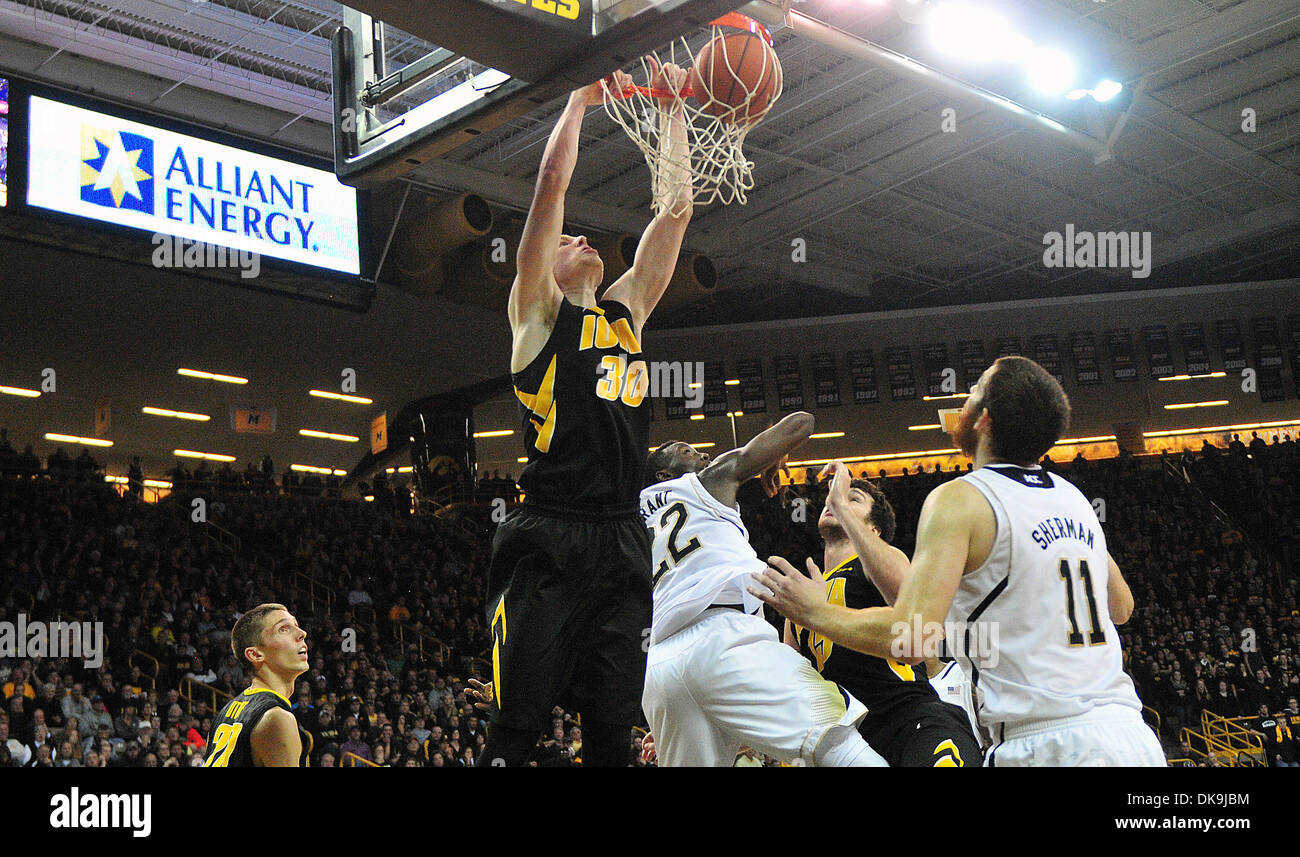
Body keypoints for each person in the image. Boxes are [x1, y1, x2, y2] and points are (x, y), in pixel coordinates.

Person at [753, 356, 1165, 766]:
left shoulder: (960, 498)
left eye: (972, 393)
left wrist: (814, 611)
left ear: (983, 420)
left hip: (1045, 744)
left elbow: (913, 639)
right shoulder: (1074, 498)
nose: (962, 402)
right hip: (1130, 733)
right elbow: (1121, 607)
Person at [481, 60, 693, 768]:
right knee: (517, 727)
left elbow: (676, 211)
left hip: (623, 535)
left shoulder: (626, 313)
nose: (582, 240)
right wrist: (578, 101)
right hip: (548, 534)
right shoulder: (535, 315)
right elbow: (550, 189)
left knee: (612, 739)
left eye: (585, 239)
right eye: (569, 242)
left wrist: (670, 110)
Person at [636, 412, 886, 767]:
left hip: (661, 668)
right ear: (665, 474)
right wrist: (768, 456)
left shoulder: (632, 520)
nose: (702, 456)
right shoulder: (706, 480)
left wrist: (769, 458)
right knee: (836, 740)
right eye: (688, 452)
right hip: (724, 639)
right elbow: (801, 423)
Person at [784, 468, 982, 766]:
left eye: (854, 500)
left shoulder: (878, 562)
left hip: (910, 720)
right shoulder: (803, 595)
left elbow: (917, 617)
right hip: (849, 740)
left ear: (873, 529)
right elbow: (793, 683)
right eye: (834, 499)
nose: (834, 501)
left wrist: (842, 508)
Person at [203, 603, 311, 767]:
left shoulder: (224, 713)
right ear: (255, 654)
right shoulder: (276, 718)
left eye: (296, 626)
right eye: (283, 629)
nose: (302, 633)